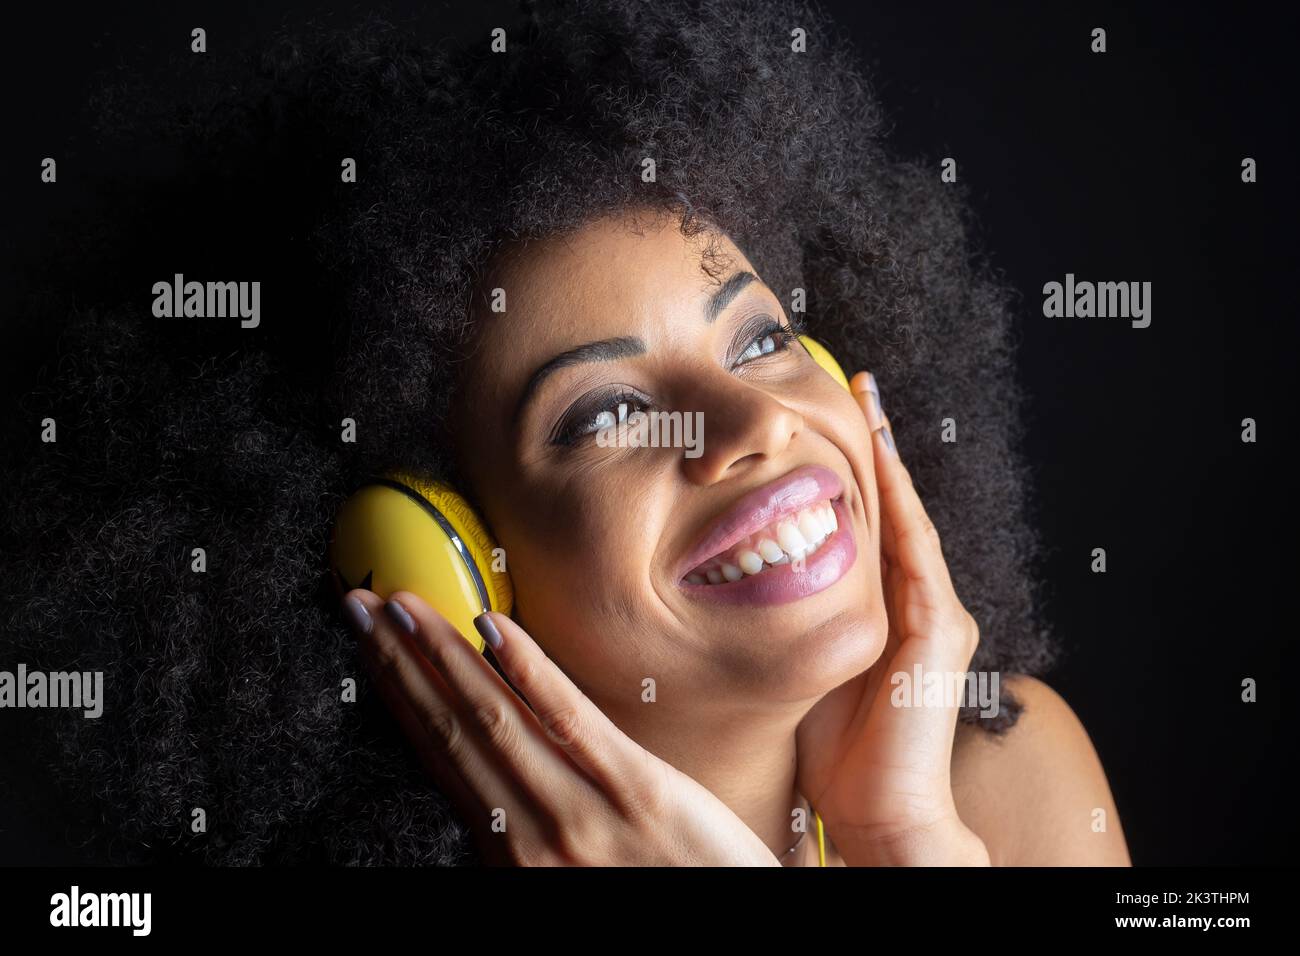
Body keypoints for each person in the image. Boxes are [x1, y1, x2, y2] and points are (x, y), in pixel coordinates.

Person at [0, 0, 1129, 865]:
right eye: (607, 414)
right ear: (439, 568)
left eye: (758, 342)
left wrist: (906, 840)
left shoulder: (1007, 776)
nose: (754, 424)